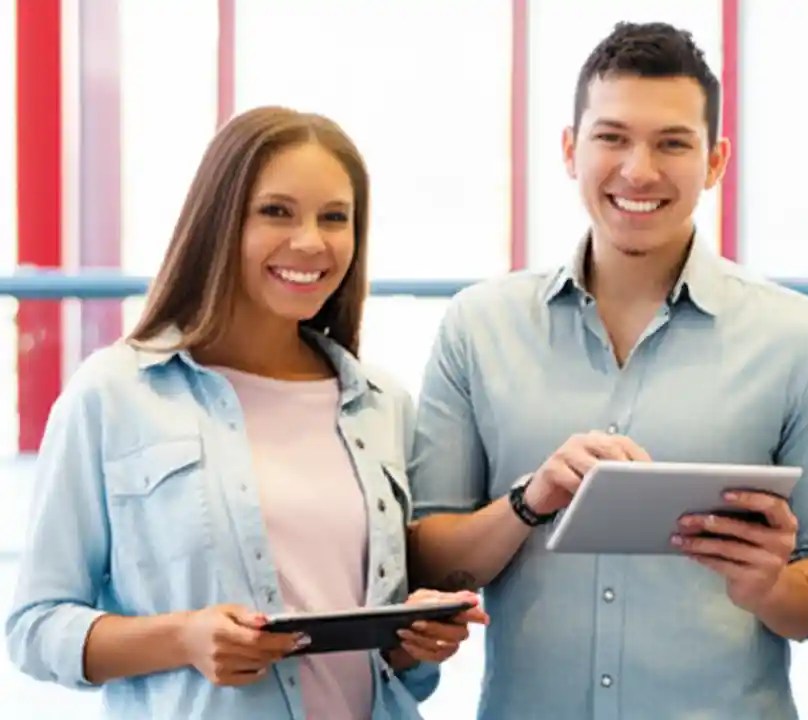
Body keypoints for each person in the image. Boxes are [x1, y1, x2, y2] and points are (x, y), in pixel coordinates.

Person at [404, 21, 808, 719]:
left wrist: (770, 587)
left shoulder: (803, 341)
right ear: (570, 149)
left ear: (715, 162)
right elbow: (429, 564)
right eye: (612, 137)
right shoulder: (478, 327)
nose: (639, 170)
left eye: (672, 143)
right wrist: (530, 500)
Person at [5, 106, 487, 720]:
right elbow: (36, 627)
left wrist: (416, 646)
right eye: (276, 212)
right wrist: (183, 638)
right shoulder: (113, 394)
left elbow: (394, 674)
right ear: (219, 222)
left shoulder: (382, 404)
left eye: (335, 218)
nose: (311, 241)